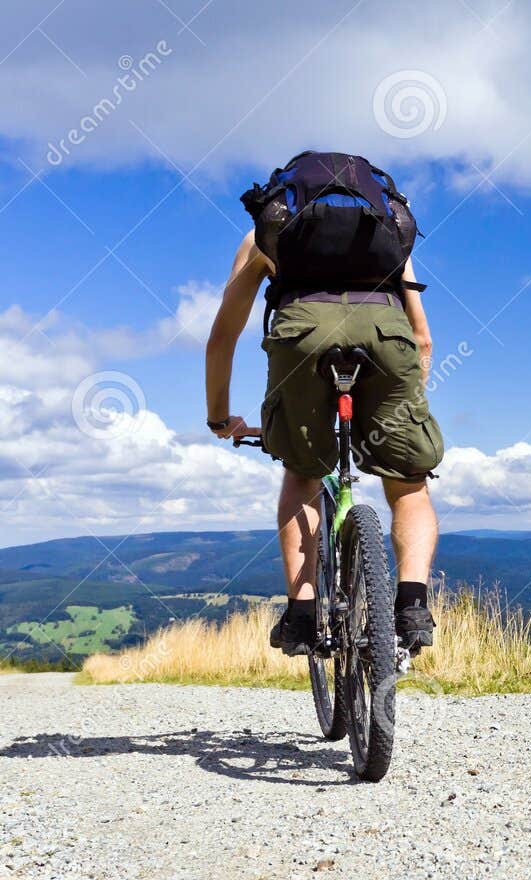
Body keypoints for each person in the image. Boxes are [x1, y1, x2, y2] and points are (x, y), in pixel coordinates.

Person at [203, 172, 443, 656]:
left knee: (303, 472)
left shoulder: (267, 232)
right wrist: (404, 403)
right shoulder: (386, 228)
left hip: (301, 337)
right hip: (387, 337)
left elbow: (222, 337)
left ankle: (303, 613)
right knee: (409, 483)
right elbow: (423, 338)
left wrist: (220, 417)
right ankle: (413, 606)